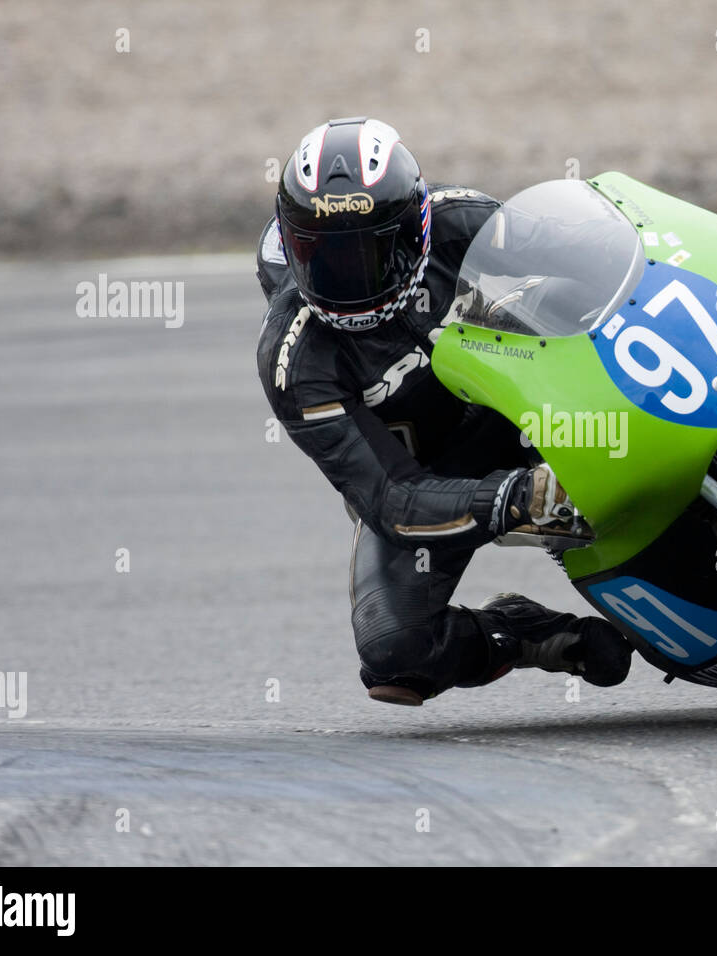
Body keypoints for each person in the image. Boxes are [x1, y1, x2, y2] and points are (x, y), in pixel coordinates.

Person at [255, 117, 633, 706]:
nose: (351, 278)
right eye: (324, 257)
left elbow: (600, 257)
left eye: (373, 250)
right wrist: (513, 498)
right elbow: (389, 499)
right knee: (394, 652)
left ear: (416, 226)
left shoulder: (463, 222)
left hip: (534, 401)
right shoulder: (294, 361)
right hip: (427, 478)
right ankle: (523, 635)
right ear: (291, 245)